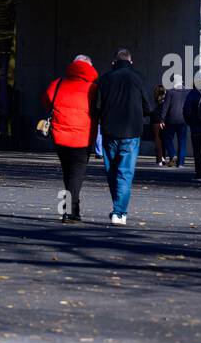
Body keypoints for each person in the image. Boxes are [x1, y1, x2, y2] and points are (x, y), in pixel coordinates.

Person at [94, 48, 150, 225]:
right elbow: (147, 106)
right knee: (125, 173)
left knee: (111, 171)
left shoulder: (104, 79)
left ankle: (117, 208)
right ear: (131, 62)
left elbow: (97, 107)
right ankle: (120, 212)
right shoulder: (138, 78)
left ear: (113, 62)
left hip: (110, 131)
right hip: (131, 132)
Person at [44, 54, 99, 223]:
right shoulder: (94, 88)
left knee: (68, 172)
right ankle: (69, 211)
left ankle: (72, 210)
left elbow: (47, 100)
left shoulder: (58, 83)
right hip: (83, 137)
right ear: (90, 68)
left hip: (60, 136)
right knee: (76, 174)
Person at [159, 74, 189, 167]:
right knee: (182, 142)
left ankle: (172, 154)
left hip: (171, 120)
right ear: (182, 82)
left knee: (167, 138)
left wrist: (161, 119)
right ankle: (181, 163)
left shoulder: (170, 92)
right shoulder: (187, 92)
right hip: (183, 120)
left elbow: (165, 107)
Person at [150, 84, 168, 166]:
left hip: (155, 120)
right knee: (163, 139)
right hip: (163, 121)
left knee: (157, 140)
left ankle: (159, 159)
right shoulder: (166, 99)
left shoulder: (155, 99)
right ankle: (163, 157)